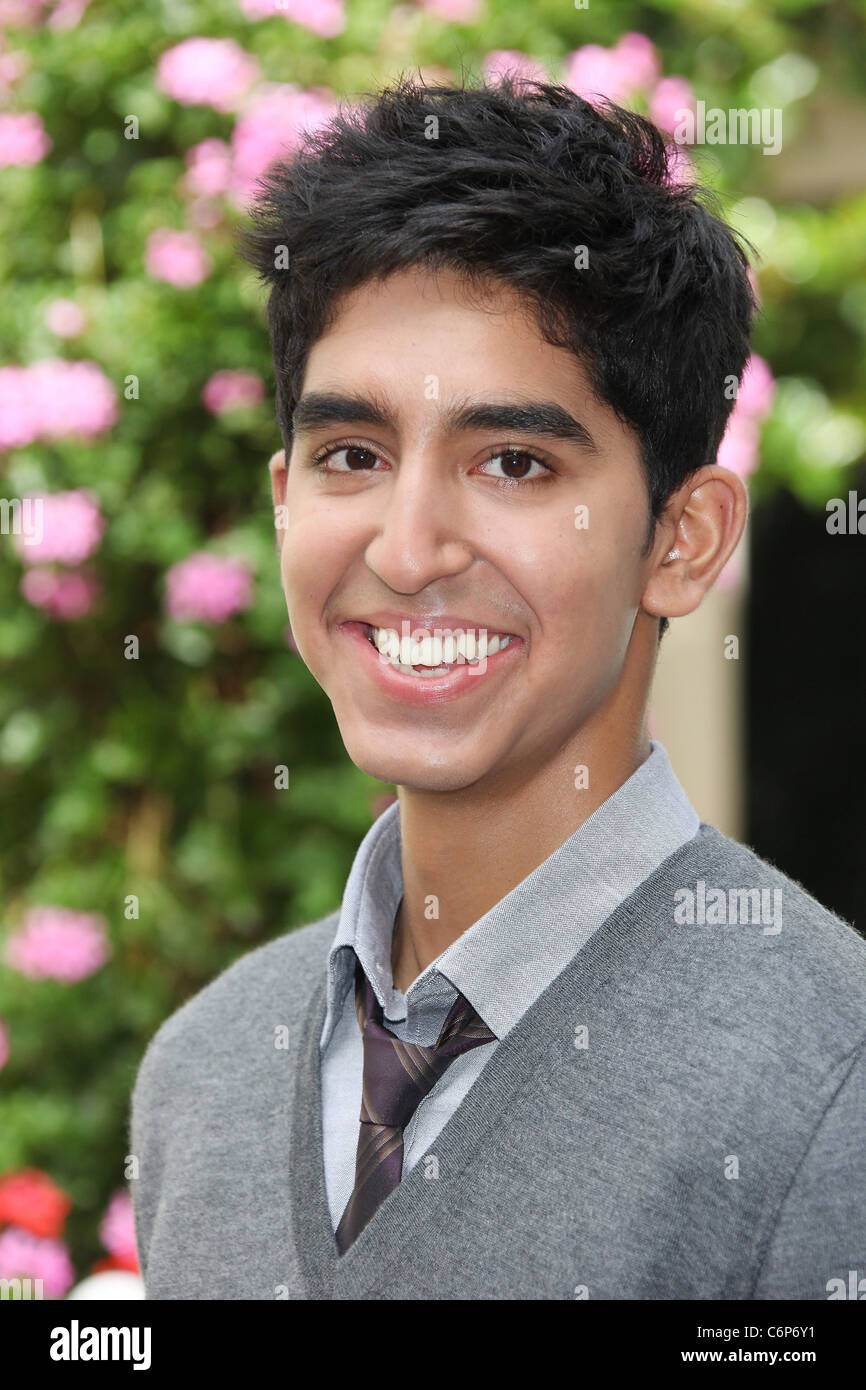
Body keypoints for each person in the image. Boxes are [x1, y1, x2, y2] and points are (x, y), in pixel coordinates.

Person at [129, 74, 866, 1300]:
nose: (408, 549)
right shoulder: (203, 1069)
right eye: (351, 456)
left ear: (680, 539)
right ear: (282, 501)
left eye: (513, 462)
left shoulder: (827, 1080)